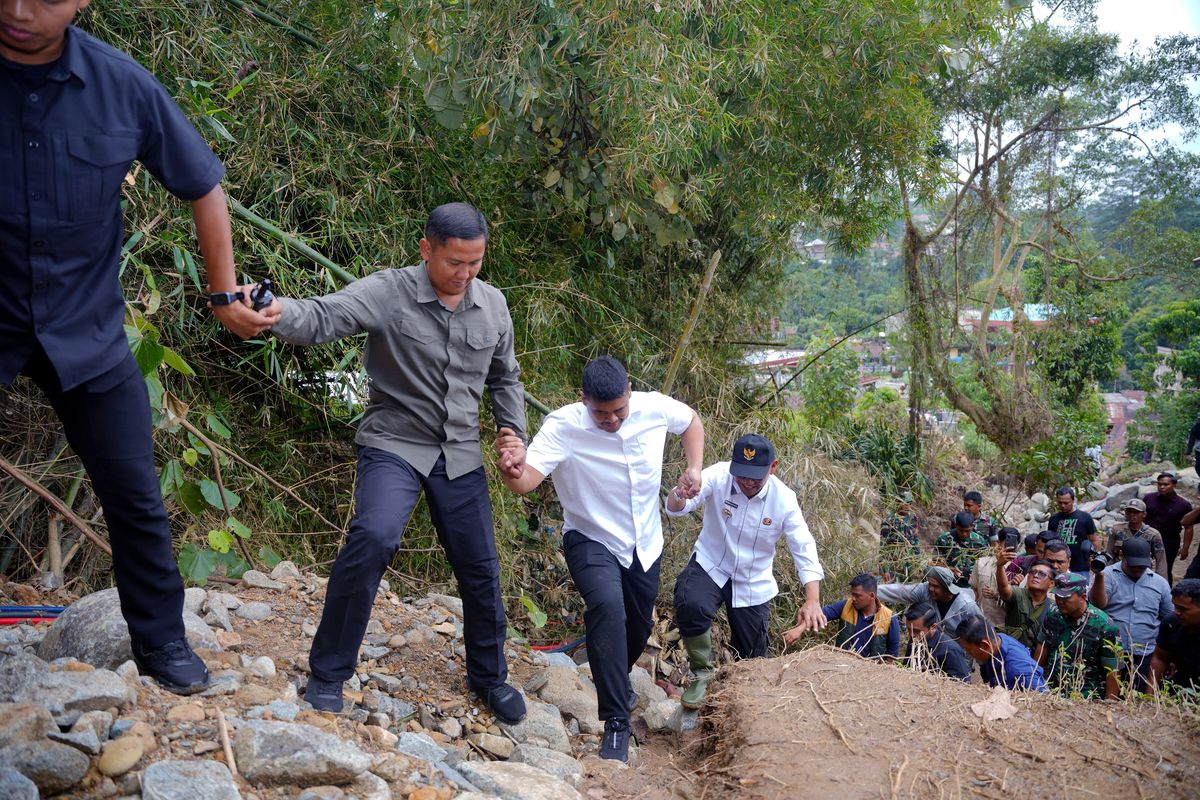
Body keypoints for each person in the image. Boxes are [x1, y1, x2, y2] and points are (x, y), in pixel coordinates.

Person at [0, 1, 279, 694]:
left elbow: (202, 184)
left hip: (84, 329)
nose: (18, 10)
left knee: (135, 495)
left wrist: (222, 296)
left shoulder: (121, 85)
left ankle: (163, 648)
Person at [265, 203, 528, 721]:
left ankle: (489, 679)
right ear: (427, 249)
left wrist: (511, 430)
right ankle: (328, 673)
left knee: (480, 567)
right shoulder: (389, 291)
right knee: (374, 537)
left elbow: (506, 377)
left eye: (476, 263)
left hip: (459, 453)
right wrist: (272, 311)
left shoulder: (493, 305)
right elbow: (323, 315)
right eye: (456, 262)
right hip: (394, 443)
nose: (466, 274)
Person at [494, 356, 704, 762]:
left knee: (637, 626)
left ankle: (615, 678)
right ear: (583, 400)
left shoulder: (654, 407)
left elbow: (691, 421)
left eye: (619, 411)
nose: (611, 420)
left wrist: (694, 468)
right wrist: (510, 467)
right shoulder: (563, 425)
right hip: (589, 538)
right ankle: (615, 723)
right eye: (601, 413)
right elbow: (525, 480)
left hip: (645, 541)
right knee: (607, 607)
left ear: (629, 393)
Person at [665, 434, 826, 709]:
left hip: (753, 579)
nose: (747, 483)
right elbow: (677, 508)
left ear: (772, 467)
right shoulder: (718, 475)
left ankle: (745, 701)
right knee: (690, 601)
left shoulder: (784, 499)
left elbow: (803, 546)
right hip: (711, 564)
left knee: (751, 655)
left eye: (755, 477)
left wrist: (812, 599)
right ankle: (702, 674)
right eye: (741, 476)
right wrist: (679, 494)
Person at [1089, 538, 1172, 690]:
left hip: (1145, 654)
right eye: (1133, 565)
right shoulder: (1107, 575)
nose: (1137, 570)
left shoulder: (1160, 583)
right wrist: (1099, 577)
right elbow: (1097, 605)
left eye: (1142, 566)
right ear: (1121, 556)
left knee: (1138, 698)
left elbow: (1170, 618)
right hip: (1111, 651)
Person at [1034, 573, 1120, 700]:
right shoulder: (1053, 614)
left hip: (1088, 696)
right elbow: (1042, 648)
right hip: (1051, 692)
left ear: (1082, 597)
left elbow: (1112, 671)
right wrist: (1033, 682)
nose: (1060, 601)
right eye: (1057, 596)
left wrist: (1110, 703)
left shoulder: (1105, 626)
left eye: (1066, 598)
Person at [787, 573, 899, 659]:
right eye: (852, 594)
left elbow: (892, 656)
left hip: (870, 672)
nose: (853, 598)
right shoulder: (846, 606)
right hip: (842, 666)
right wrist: (799, 629)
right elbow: (820, 616)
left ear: (872, 596)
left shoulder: (889, 618)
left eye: (857, 595)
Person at [876, 566, 982, 637]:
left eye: (935, 586)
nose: (930, 588)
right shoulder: (924, 590)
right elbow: (900, 592)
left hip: (957, 651)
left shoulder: (967, 606)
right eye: (930, 584)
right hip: (929, 647)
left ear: (947, 589)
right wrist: (871, 590)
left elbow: (982, 629)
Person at [956, 614, 1047, 692]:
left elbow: (1042, 701)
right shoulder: (998, 640)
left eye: (968, 649)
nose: (967, 653)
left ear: (985, 645)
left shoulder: (1020, 673)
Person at [994, 548, 1054, 651]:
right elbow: (1004, 589)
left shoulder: (1053, 608)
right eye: (1033, 572)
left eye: (1042, 574)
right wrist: (1000, 566)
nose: (1035, 576)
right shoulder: (1019, 594)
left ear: (1051, 584)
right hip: (1010, 653)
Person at [1147, 579, 1200, 693]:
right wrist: (1150, 696)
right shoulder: (1171, 623)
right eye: (1175, 606)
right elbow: (1160, 658)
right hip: (1180, 688)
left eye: (1183, 609)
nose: (1176, 612)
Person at [1144, 472, 1193, 585]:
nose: (1162, 487)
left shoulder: (1183, 505)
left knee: (1165, 569)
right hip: (1146, 538)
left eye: (1166, 484)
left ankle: (1165, 595)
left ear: (1174, 485)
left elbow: (1189, 527)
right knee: (1142, 566)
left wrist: (1185, 548)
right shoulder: (1149, 498)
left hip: (1169, 541)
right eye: (1159, 484)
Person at [903, 603, 971, 682]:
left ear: (933, 627)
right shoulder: (916, 639)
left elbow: (962, 685)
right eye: (909, 629)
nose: (911, 635)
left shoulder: (950, 650)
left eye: (916, 631)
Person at [1104, 498, 1168, 581]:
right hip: (1120, 572)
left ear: (1144, 514)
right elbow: (1109, 554)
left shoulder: (1153, 535)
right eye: (1129, 512)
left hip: (1143, 573)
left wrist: (1161, 581)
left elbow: (1161, 560)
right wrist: (1108, 575)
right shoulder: (1117, 530)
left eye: (1136, 512)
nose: (1132, 515)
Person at [1047, 487, 1099, 574]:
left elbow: (1093, 540)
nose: (1063, 505)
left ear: (1073, 500)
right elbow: (1049, 542)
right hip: (1057, 567)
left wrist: (1093, 559)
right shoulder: (1053, 519)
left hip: (1081, 567)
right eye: (1060, 502)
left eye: (1066, 503)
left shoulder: (1085, 517)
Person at [932, 511, 989, 581]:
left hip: (971, 583)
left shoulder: (979, 541)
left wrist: (975, 573)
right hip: (947, 580)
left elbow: (985, 564)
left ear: (973, 526)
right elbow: (935, 561)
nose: (964, 534)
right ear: (956, 525)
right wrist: (951, 569)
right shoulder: (944, 539)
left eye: (967, 531)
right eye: (961, 530)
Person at [879, 491, 922, 582]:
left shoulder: (913, 518)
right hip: (894, 564)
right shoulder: (889, 520)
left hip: (909, 563)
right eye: (905, 503)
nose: (908, 506)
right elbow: (883, 546)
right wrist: (885, 569)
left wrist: (919, 561)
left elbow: (915, 540)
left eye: (910, 503)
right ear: (898, 503)